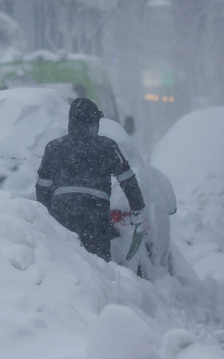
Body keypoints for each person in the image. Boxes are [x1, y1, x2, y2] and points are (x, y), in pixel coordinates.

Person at [36, 98, 145, 261]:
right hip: (95, 213)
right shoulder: (107, 146)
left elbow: (42, 187)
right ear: (94, 122)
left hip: (63, 212)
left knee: (64, 261)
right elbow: (127, 180)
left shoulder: (54, 147)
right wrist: (137, 208)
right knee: (99, 265)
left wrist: (46, 215)